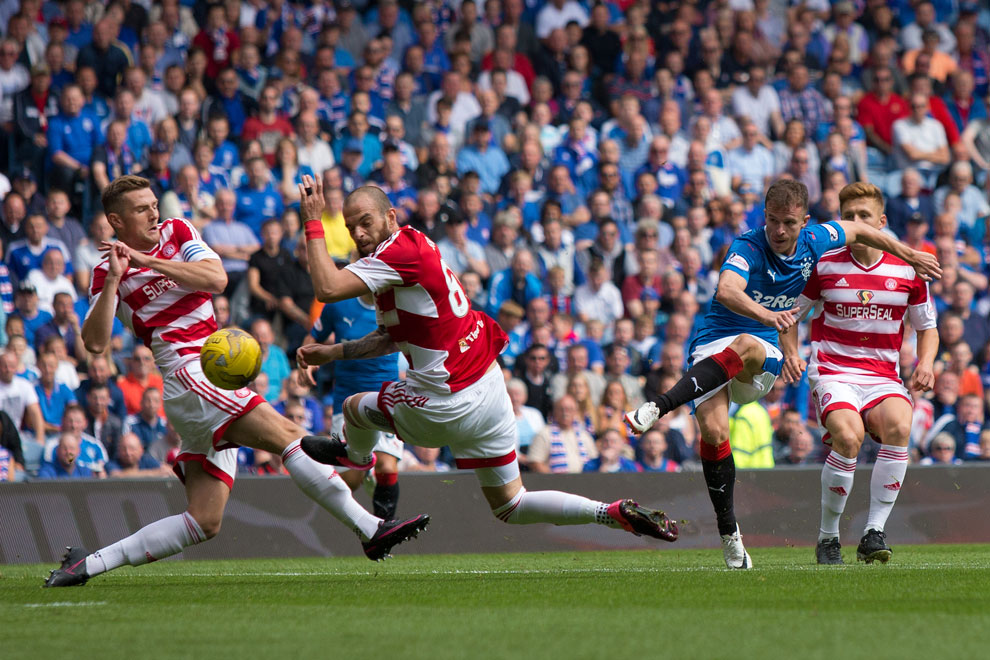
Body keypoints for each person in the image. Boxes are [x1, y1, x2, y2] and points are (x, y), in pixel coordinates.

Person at [45, 176, 429, 588]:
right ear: (116, 221)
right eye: (142, 209)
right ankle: (370, 528)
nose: (155, 213)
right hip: (186, 371)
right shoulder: (106, 271)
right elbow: (95, 342)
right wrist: (118, 279)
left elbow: (216, 278)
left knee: (204, 520)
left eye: (154, 204)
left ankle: (86, 565)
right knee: (287, 435)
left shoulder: (178, 231)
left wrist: (149, 263)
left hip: (207, 375)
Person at [295, 180, 677, 545]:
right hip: (490, 388)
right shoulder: (404, 254)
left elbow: (326, 288)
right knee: (511, 503)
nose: (358, 234)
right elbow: (391, 339)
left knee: (352, 408)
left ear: (390, 217)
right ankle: (609, 512)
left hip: (445, 402)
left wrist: (313, 219)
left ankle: (355, 456)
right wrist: (333, 352)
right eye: (350, 227)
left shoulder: (396, 254)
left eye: (366, 222)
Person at [628, 179, 940, 569]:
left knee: (897, 424)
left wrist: (912, 257)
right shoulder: (777, 251)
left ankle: (873, 532)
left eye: (788, 223)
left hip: (790, 356)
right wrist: (781, 331)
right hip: (773, 355)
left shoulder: (830, 245)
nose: (779, 231)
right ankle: (738, 536)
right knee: (716, 433)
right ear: (764, 218)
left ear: (803, 222)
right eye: (773, 221)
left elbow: (921, 318)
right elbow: (733, 293)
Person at [300, 269, 402, 519]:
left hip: (384, 398)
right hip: (345, 400)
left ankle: (385, 532)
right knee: (354, 477)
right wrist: (307, 362)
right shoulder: (338, 307)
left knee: (387, 467)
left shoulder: (396, 308)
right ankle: (354, 481)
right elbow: (314, 339)